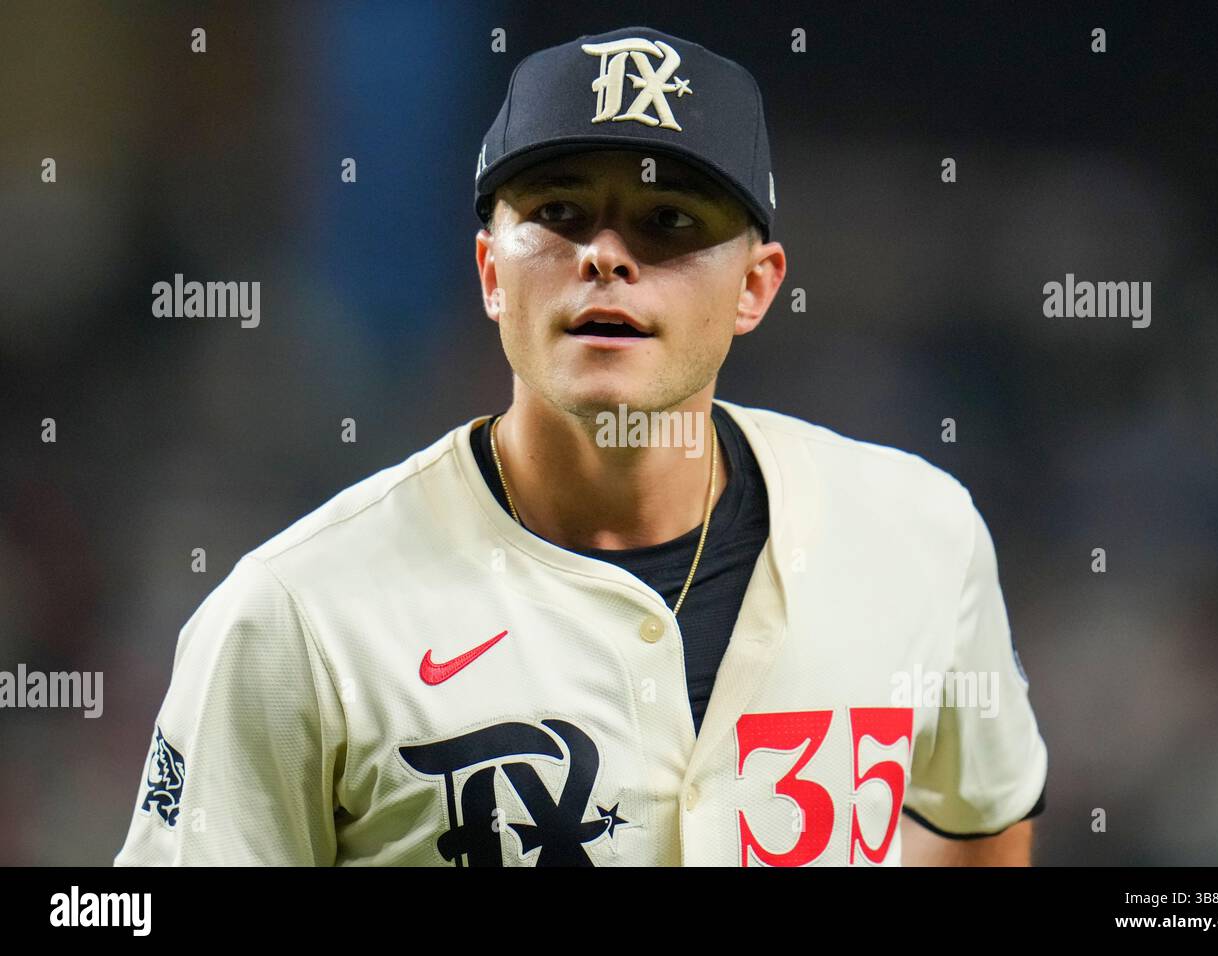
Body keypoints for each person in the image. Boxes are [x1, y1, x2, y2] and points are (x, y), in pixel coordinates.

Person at [114, 25, 1046, 867]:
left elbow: (987, 817)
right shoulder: (295, 618)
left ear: (757, 289)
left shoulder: (918, 535)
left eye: (669, 221)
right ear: (489, 272)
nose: (605, 254)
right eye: (559, 213)